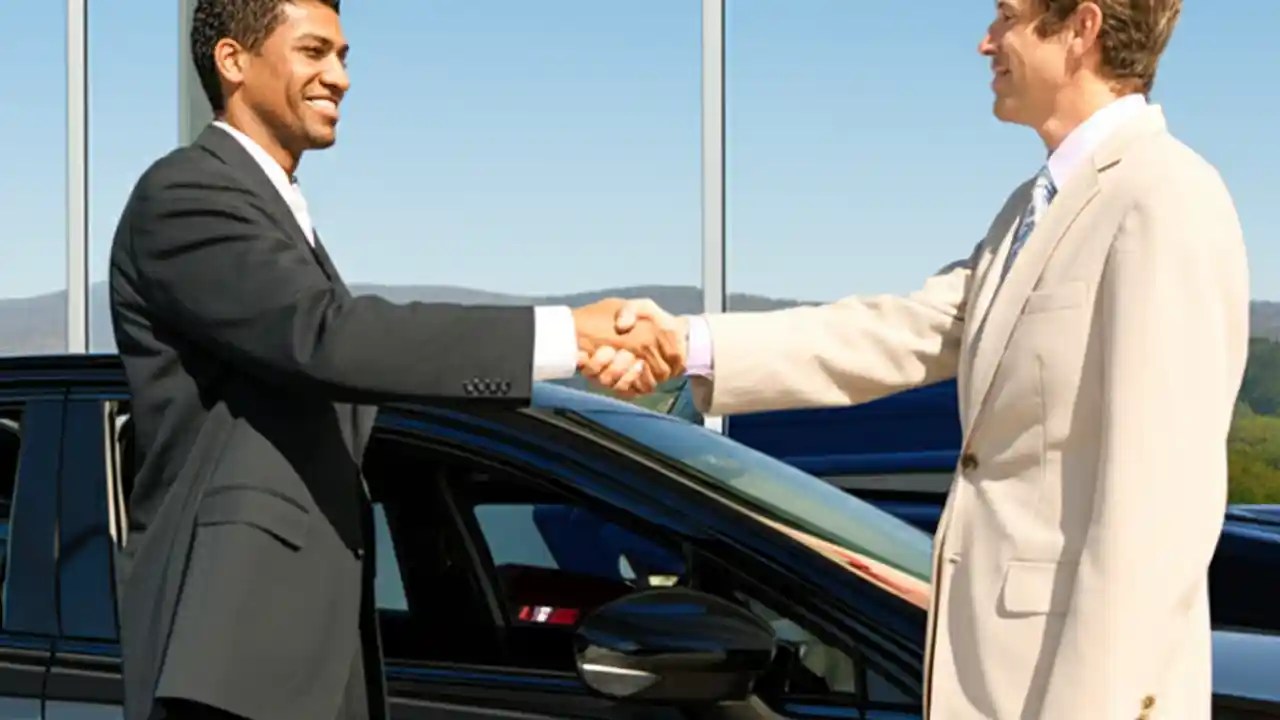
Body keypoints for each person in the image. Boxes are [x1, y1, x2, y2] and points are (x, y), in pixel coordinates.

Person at [585, 1, 1248, 718]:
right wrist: (689, 344)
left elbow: (1157, 515)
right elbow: (901, 331)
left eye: (1010, 18)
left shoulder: (1164, 197)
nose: (984, 42)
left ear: (1081, 28)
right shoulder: (1035, 206)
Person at [108, 2, 678, 719]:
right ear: (232, 61)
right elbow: (329, 338)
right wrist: (570, 336)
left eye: (344, 56)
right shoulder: (185, 193)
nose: (339, 77)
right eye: (314, 52)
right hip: (235, 670)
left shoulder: (275, 211)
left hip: (302, 663)